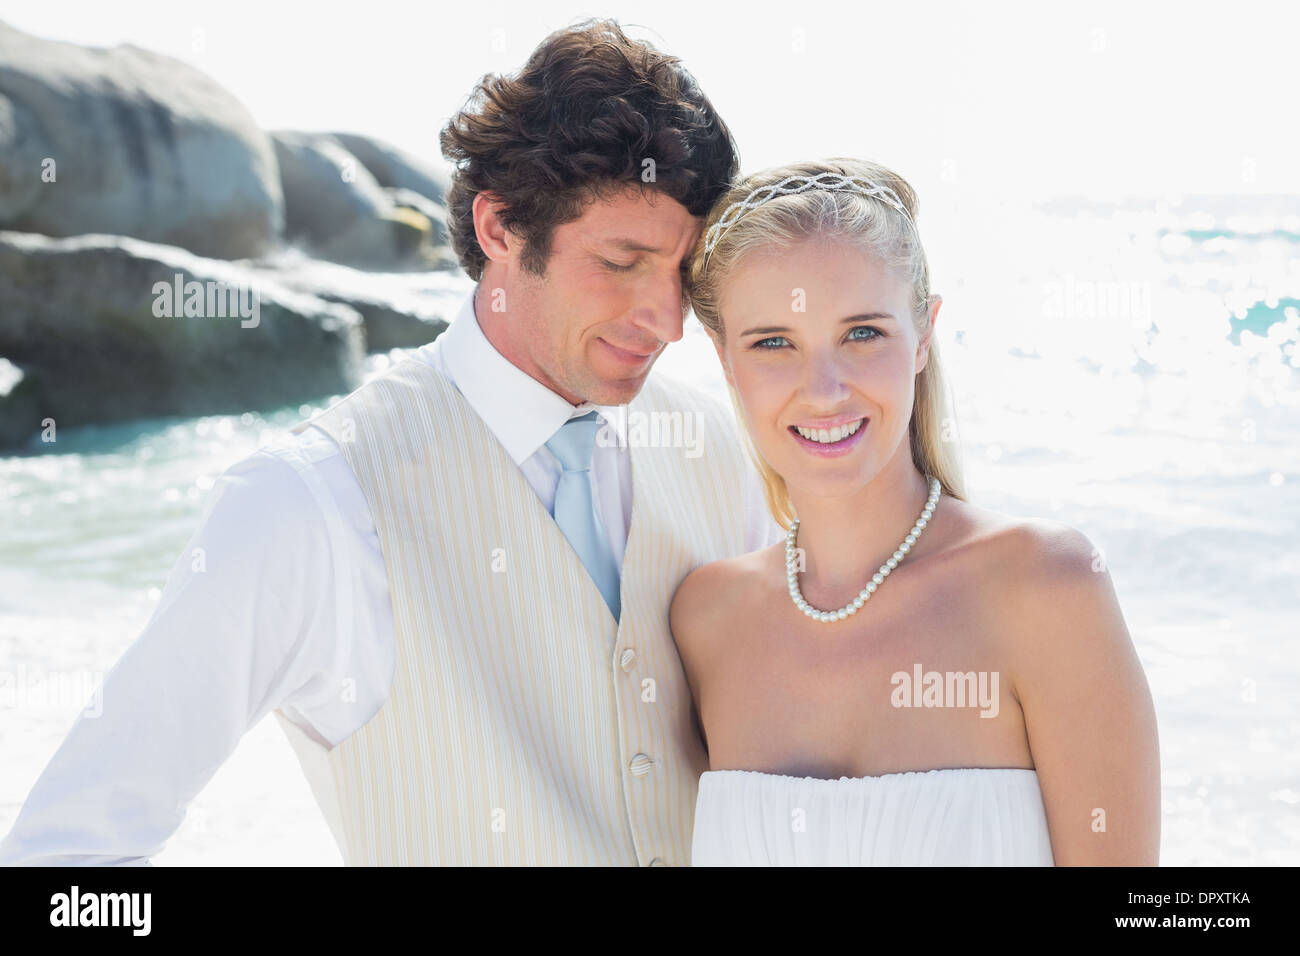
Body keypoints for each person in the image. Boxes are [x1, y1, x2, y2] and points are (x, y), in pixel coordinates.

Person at [0, 18, 784, 867]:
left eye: (682, 273)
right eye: (623, 262)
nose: (667, 322)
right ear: (501, 230)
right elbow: (65, 854)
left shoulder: (723, 447)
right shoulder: (309, 503)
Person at [672, 157, 1161, 866]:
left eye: (862, 333)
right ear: (723, 359)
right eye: (773, 342)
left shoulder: (1045, 586)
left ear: (925, 333)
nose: (824, 390)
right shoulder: (704, 620)